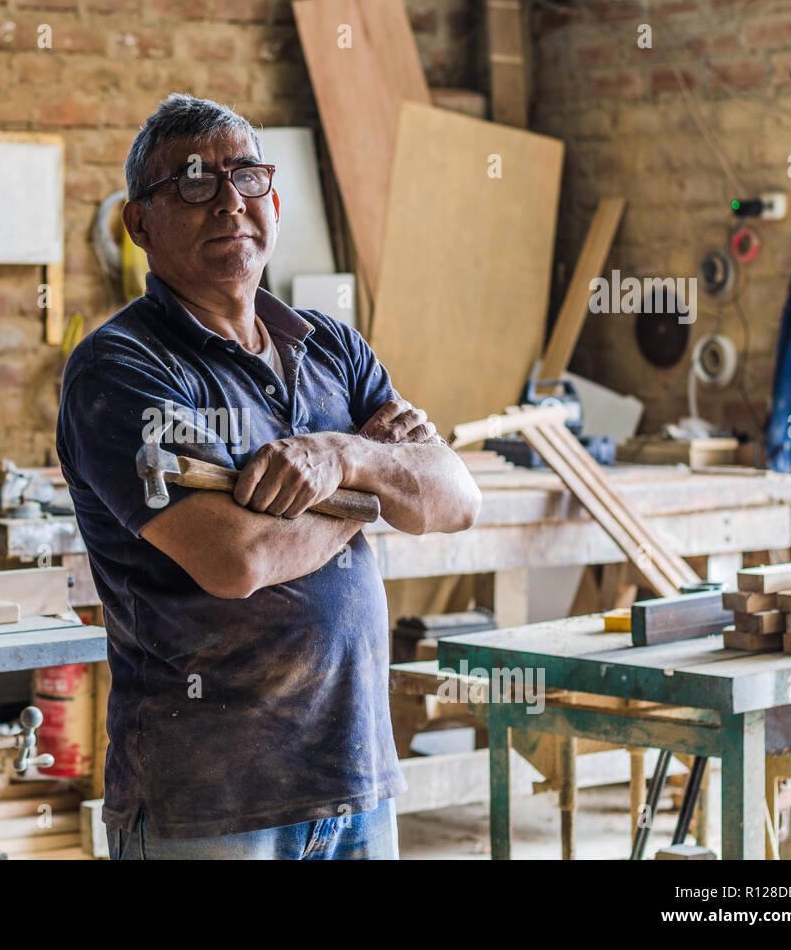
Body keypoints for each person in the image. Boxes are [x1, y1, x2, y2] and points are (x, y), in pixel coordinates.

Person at [56, 93, 481, 860]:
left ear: (275, 203)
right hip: (211, 804)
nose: (229, 201)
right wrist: (375, 489)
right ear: (139, 223)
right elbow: (238, 558)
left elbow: (455, 499)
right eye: (194, 182)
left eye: (247, 177)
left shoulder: (331, 347)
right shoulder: (119, 368)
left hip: (355, 781)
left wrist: (342, 456)